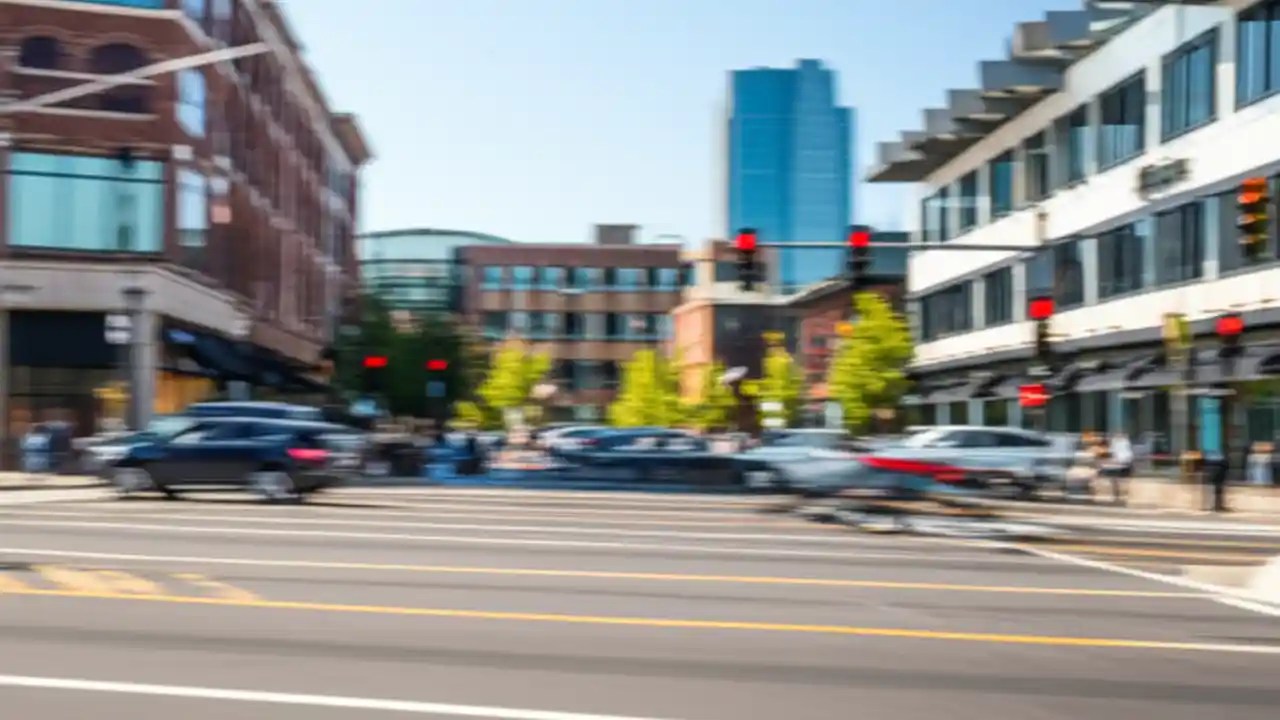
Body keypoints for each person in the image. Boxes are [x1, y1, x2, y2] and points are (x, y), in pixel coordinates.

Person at [1101, 431, 1134, 505]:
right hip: (1120, 464)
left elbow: (1124, 455)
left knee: (1117, 479)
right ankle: (1117, 494)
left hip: (1122, 464)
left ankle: (1118, 494)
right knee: (1115, 479)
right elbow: (1113, 453)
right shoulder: (1117, 443)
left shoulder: (1122, 443)